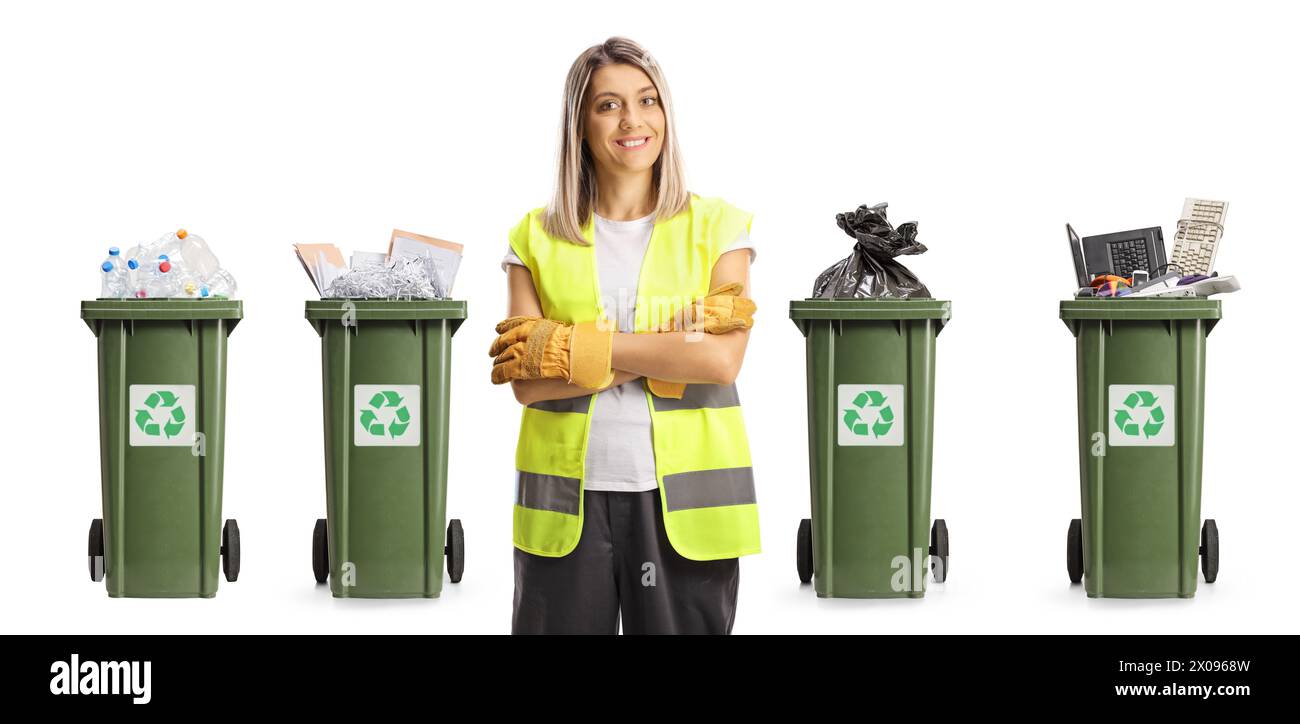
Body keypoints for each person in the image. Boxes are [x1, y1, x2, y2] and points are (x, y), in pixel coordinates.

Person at [489, 37, 760, 635]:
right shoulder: (533, 238)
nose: (633, 120)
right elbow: (527, 384)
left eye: (648, 100)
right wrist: (666, 345)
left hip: (682, 509)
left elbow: (718, 360)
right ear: (579, 124)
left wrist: (577, 348)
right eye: (608, 105)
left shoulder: (719, 228)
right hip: (567, 505)